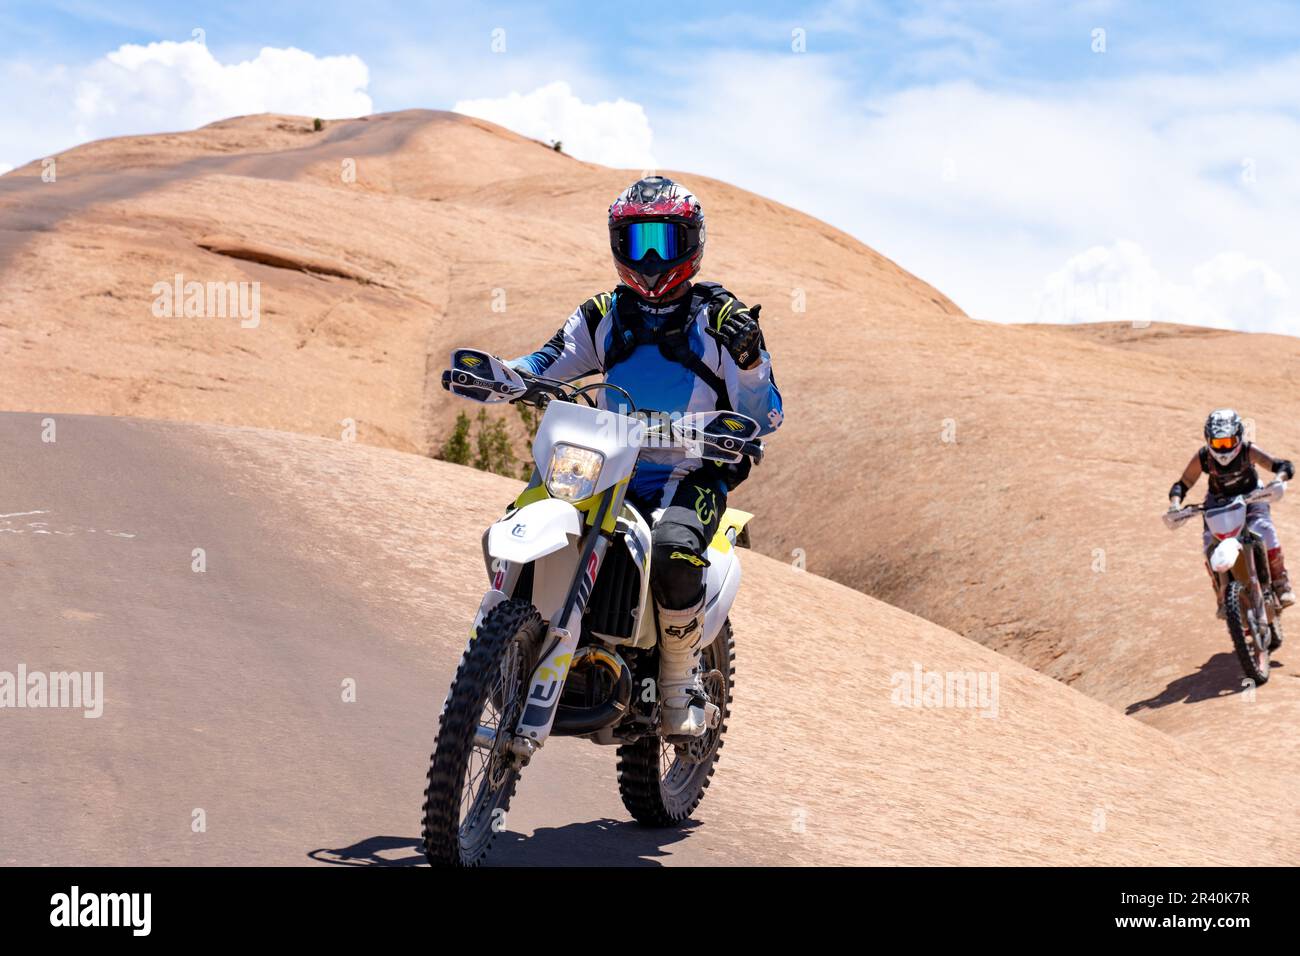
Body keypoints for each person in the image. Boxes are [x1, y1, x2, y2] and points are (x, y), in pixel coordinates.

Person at [508, 175, 784, 738]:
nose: (652, 257)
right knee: (526, 515)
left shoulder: (721, 319)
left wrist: (751, 358)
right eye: (637, 242)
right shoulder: (603, 314)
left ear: (692, 243)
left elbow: (768, 414)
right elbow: (548, 360)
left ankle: (680, 681)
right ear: (616, 246)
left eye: (664, 240)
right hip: (607, 465)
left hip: (692, 470)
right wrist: (500, 376)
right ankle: (506, 645)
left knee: (674, 550)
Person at [1168, 408, 1295, 615]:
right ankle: (1221, 595)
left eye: (1228, 442)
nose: (1223, 449)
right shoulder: (1204, 457)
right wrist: (1175, 505)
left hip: (1252, 496)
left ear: (1238, 437)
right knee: (1209, 544)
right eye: (1218, 444)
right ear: (1209, 440)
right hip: (1217, 503)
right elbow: (1183, 483)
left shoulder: (1248, 450)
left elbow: (1281, 465)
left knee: (1264, 528)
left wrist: (1278, 479)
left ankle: (1281, 583)